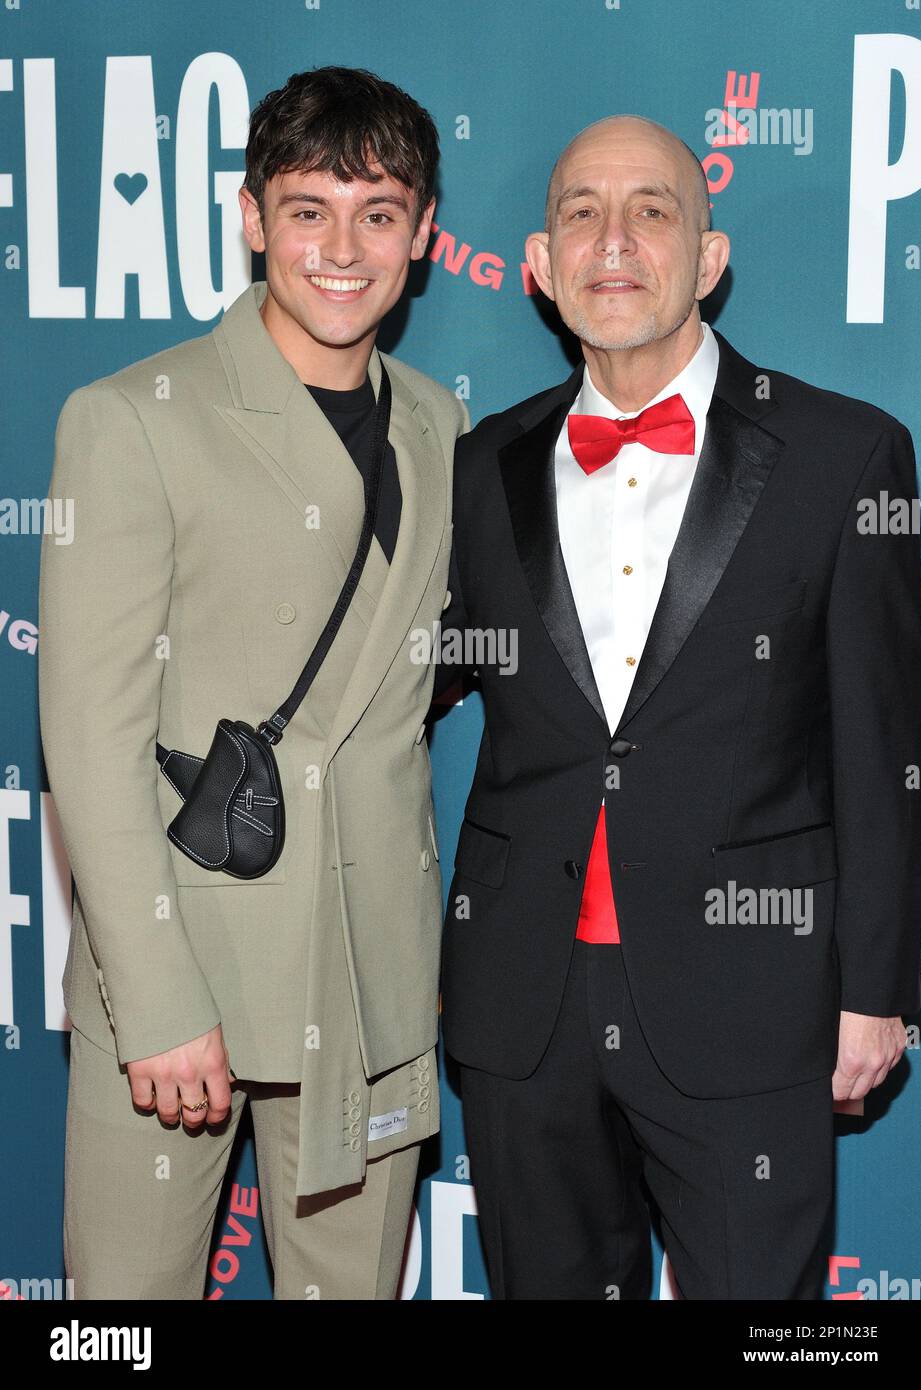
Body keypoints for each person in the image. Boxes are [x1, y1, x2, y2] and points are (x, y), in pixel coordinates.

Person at [436, 114, 921, 1299]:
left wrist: (877, 993)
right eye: (581, 214)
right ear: (541, 268)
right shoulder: (477, 464)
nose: (616, 241)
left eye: (653, 210)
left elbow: (884, 745)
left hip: (753, 999)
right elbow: (395, 686)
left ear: (707, 258)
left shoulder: (845, 456)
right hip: (525, 1008)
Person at [39, 66, 468, 1300]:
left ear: (424, 234)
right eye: (307, 208)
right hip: (185, 973)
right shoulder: (134, 420)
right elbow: (88, 740)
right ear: (249, 218)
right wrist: (160, 998)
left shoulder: (440, 427)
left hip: (374, 979)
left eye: (378, 212)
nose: (343, 247)